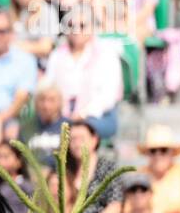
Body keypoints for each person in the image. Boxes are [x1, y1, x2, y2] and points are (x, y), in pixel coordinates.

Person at [43, 8, 123, 138]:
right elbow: (49, 87)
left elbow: (108, 96)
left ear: (92, 28)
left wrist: (83, 113)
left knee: (80, 133)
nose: (76, 30)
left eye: (82, 26)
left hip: (98, 116)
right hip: (61, 115)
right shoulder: (57, 55)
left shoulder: (107, 54)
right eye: (70, 26)